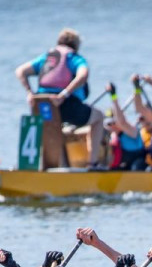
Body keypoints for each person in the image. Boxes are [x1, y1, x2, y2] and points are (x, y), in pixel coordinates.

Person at [14, 28, 106, 168]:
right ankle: (92, 163)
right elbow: (83, 75)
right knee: (99, 117)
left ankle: (56, 166)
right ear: (76, 45)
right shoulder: (74, 58)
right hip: (64, 105)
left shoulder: (47, 58)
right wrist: (65, 94)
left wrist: (29, 93)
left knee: (55, 130)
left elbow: (21, 71)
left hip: (41, 105)